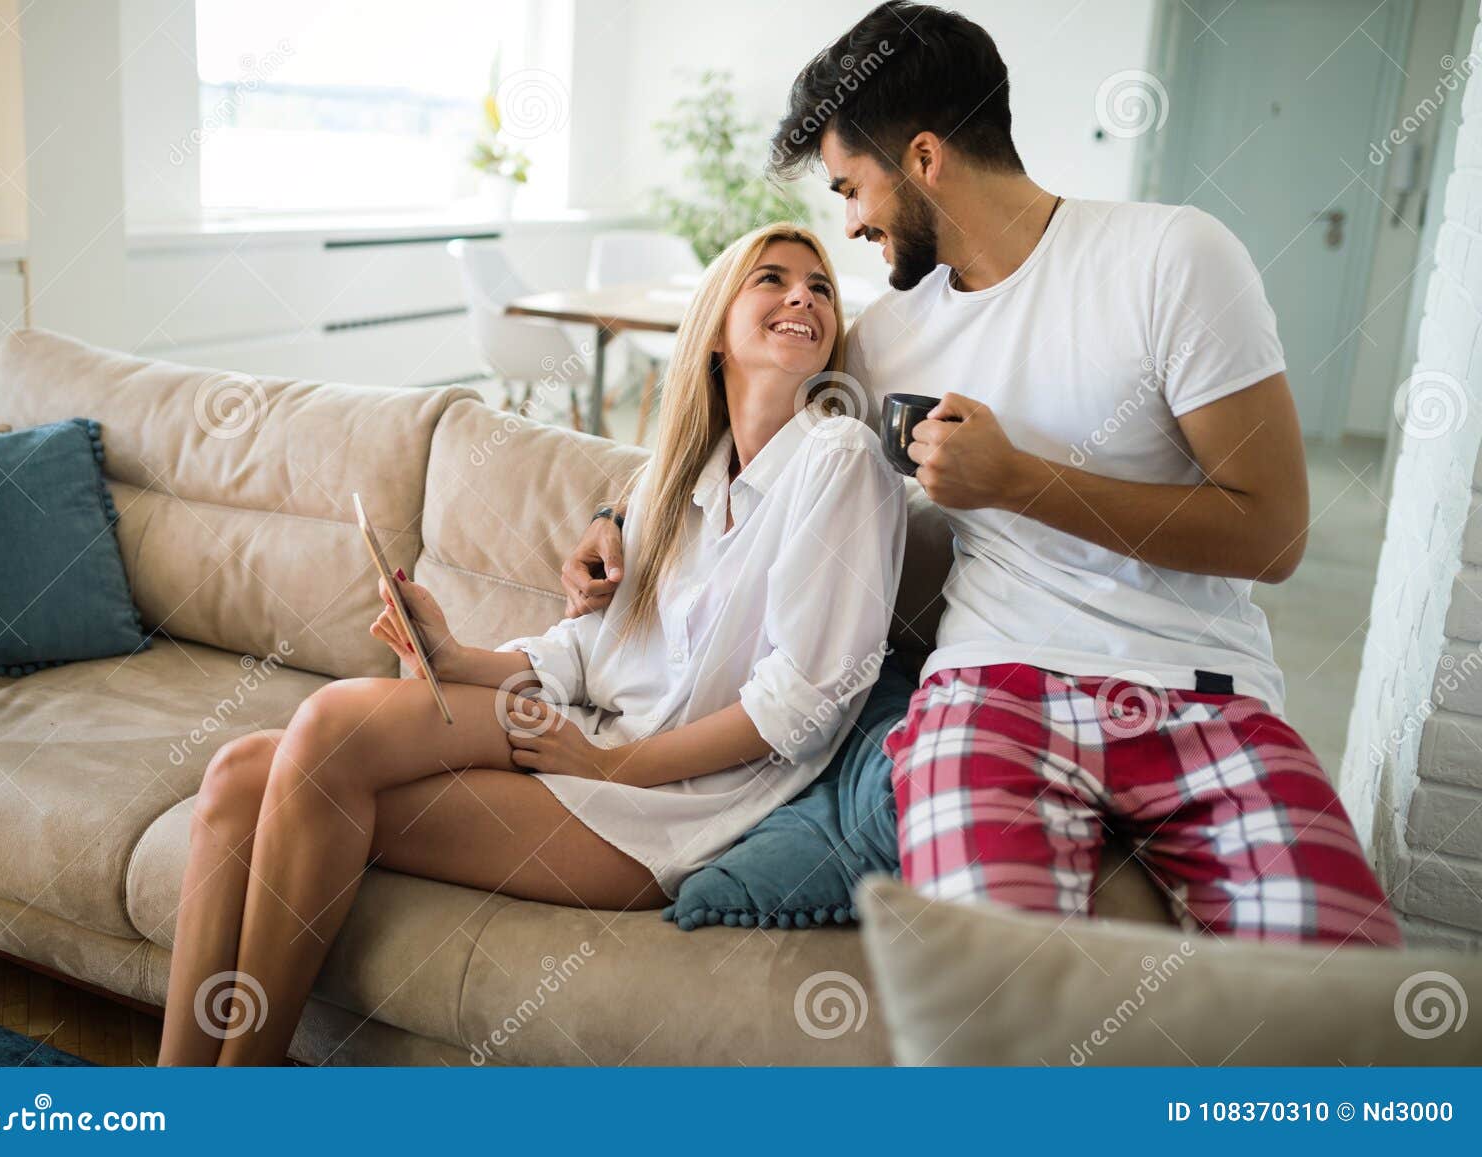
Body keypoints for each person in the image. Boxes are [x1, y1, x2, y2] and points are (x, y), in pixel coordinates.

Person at [561, 2, 1401, 947]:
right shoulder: (886, 339)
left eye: (849, 189)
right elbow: (734, 426)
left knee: (1347, 999)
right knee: (987, 991)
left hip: (1201, 689)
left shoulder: (1173, 257)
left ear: (923, 160)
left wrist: (1021, 481)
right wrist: (613, 513)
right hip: (990, 690)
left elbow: (1275, 534)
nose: (850, 224)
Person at [158, 222, 907, 1065]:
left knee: (326, 739)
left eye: (821, 287)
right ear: (716, 329)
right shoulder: (674, 480)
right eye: (772, 279)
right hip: (585, 739)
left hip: (672, 807)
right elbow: (592, 652)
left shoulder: (840, 460)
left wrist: (610, 767)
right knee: (236, 776)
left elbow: (802, 704)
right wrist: (458, 659)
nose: (804, 295)